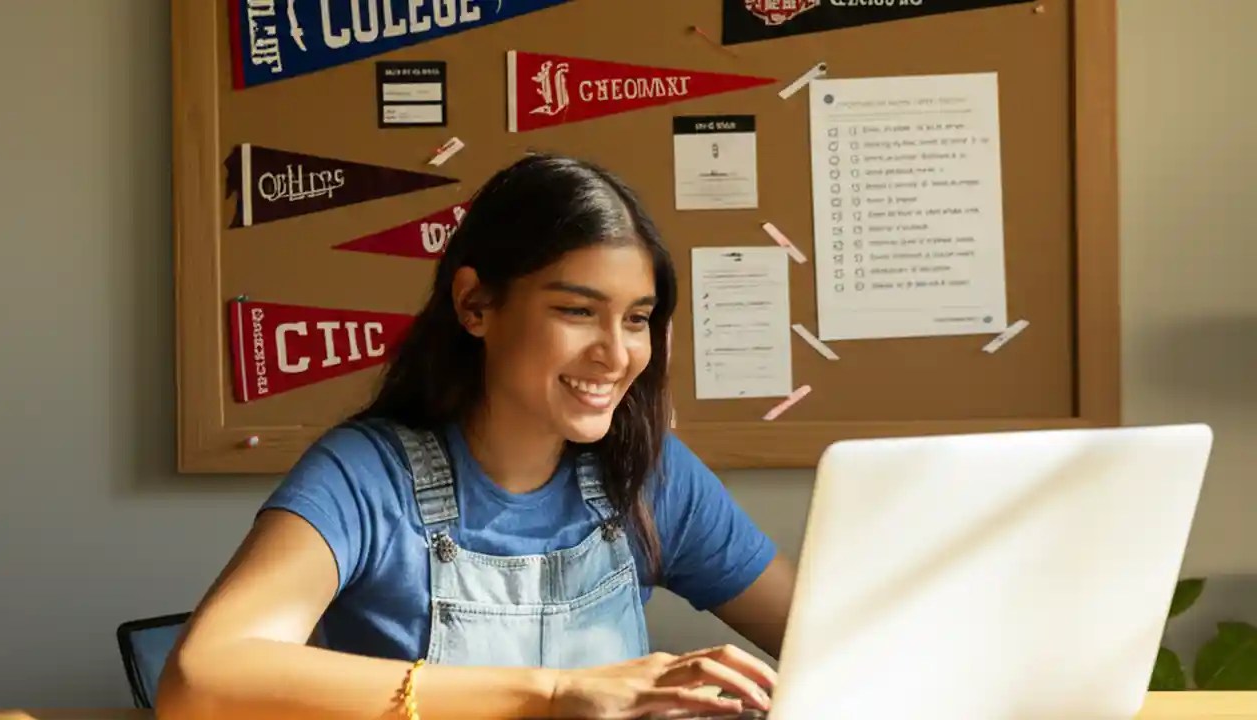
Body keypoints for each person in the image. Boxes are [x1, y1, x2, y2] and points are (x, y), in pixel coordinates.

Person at [157, 153, 797, 720]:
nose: (616, 353)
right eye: (576, 311)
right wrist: (549, 695)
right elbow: (201, 679)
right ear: (475, 305)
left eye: (636, 319)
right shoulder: (365, 477)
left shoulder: (650, 473)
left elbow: (830, 640)